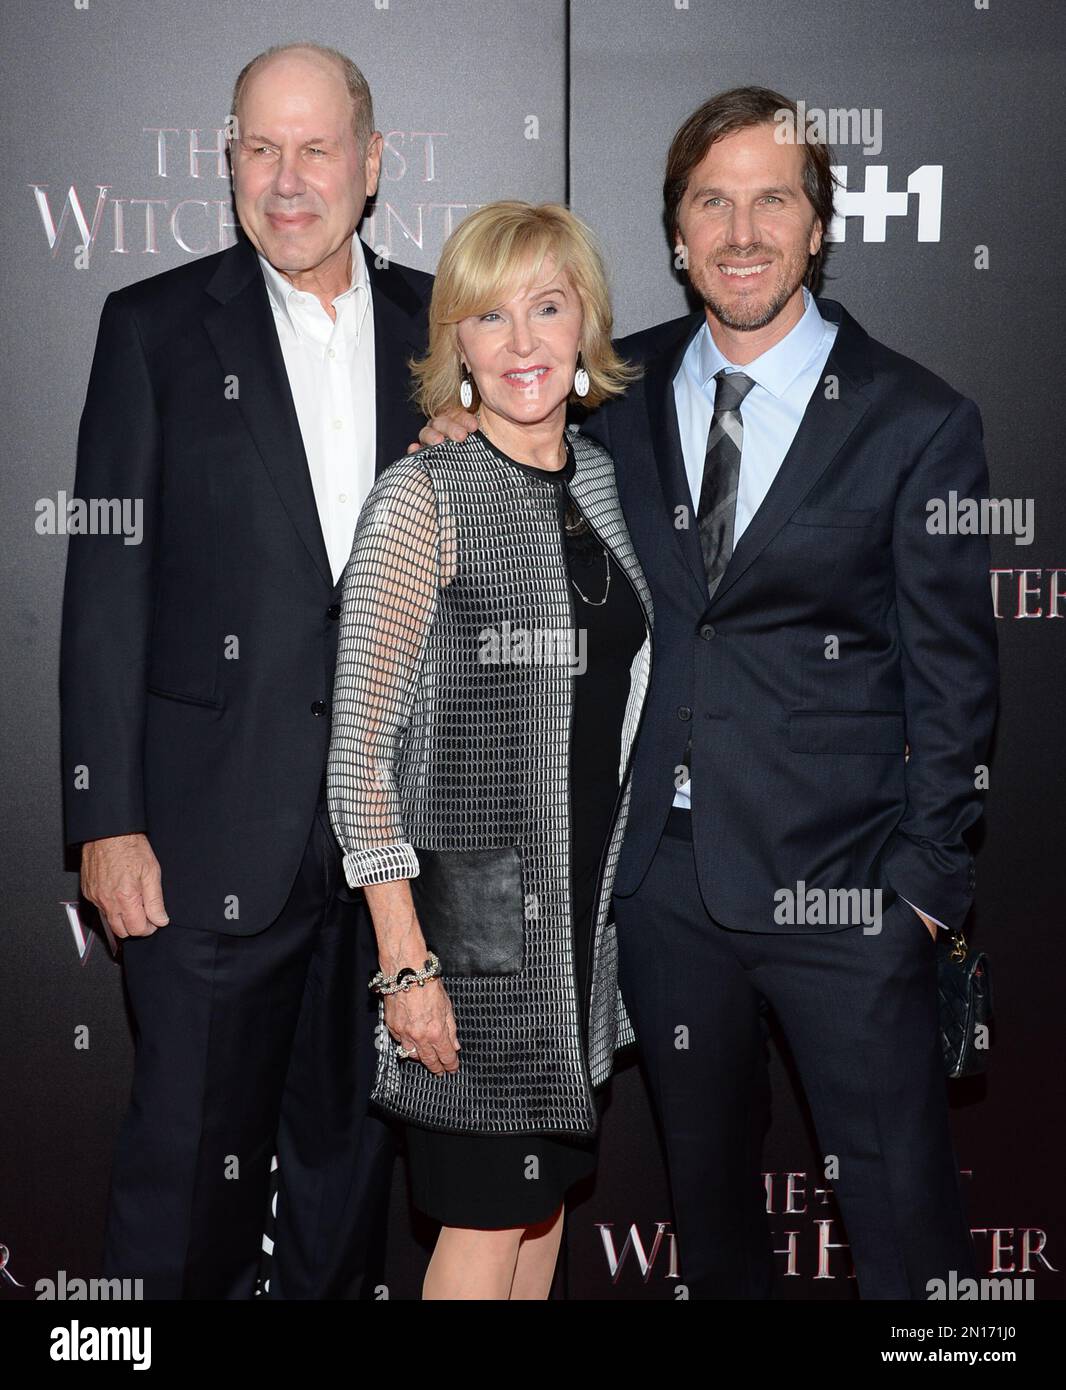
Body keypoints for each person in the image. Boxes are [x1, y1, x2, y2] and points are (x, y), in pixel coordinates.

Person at [416, 87, 998, 1299]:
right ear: (675, 234)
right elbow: (505, 425)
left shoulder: (916, 419)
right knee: (711, 1230)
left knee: (909, 1238)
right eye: (710, 202)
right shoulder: (614, 396)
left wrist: (922, 898)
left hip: (848, 895)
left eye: (771, 200)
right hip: (663, 898)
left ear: (819, 225)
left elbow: (956, 679)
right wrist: (452, 429)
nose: (741, 232)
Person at [59, 42, 432, 1299]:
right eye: (259, 150)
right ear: (228, 164)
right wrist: (105, 818)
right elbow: (104, 590)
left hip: (391, 860)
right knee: (180, 1194)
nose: (287, 180)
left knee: (345, 1189)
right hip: (209, 841)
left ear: (370, 165)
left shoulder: (449, 331)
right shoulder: (155, 329)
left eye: (315, 147)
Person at [326, 200, 650, 1299]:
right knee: (479, 1220)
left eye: (547, 308)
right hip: (468, 953)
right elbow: (359, 757)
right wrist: (405, 966)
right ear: (453, 344)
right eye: (489, 316)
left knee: (541, 1209)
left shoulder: (606, 484)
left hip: (578, 944)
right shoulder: (421, 499)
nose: (522, 343)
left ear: (584, 324)